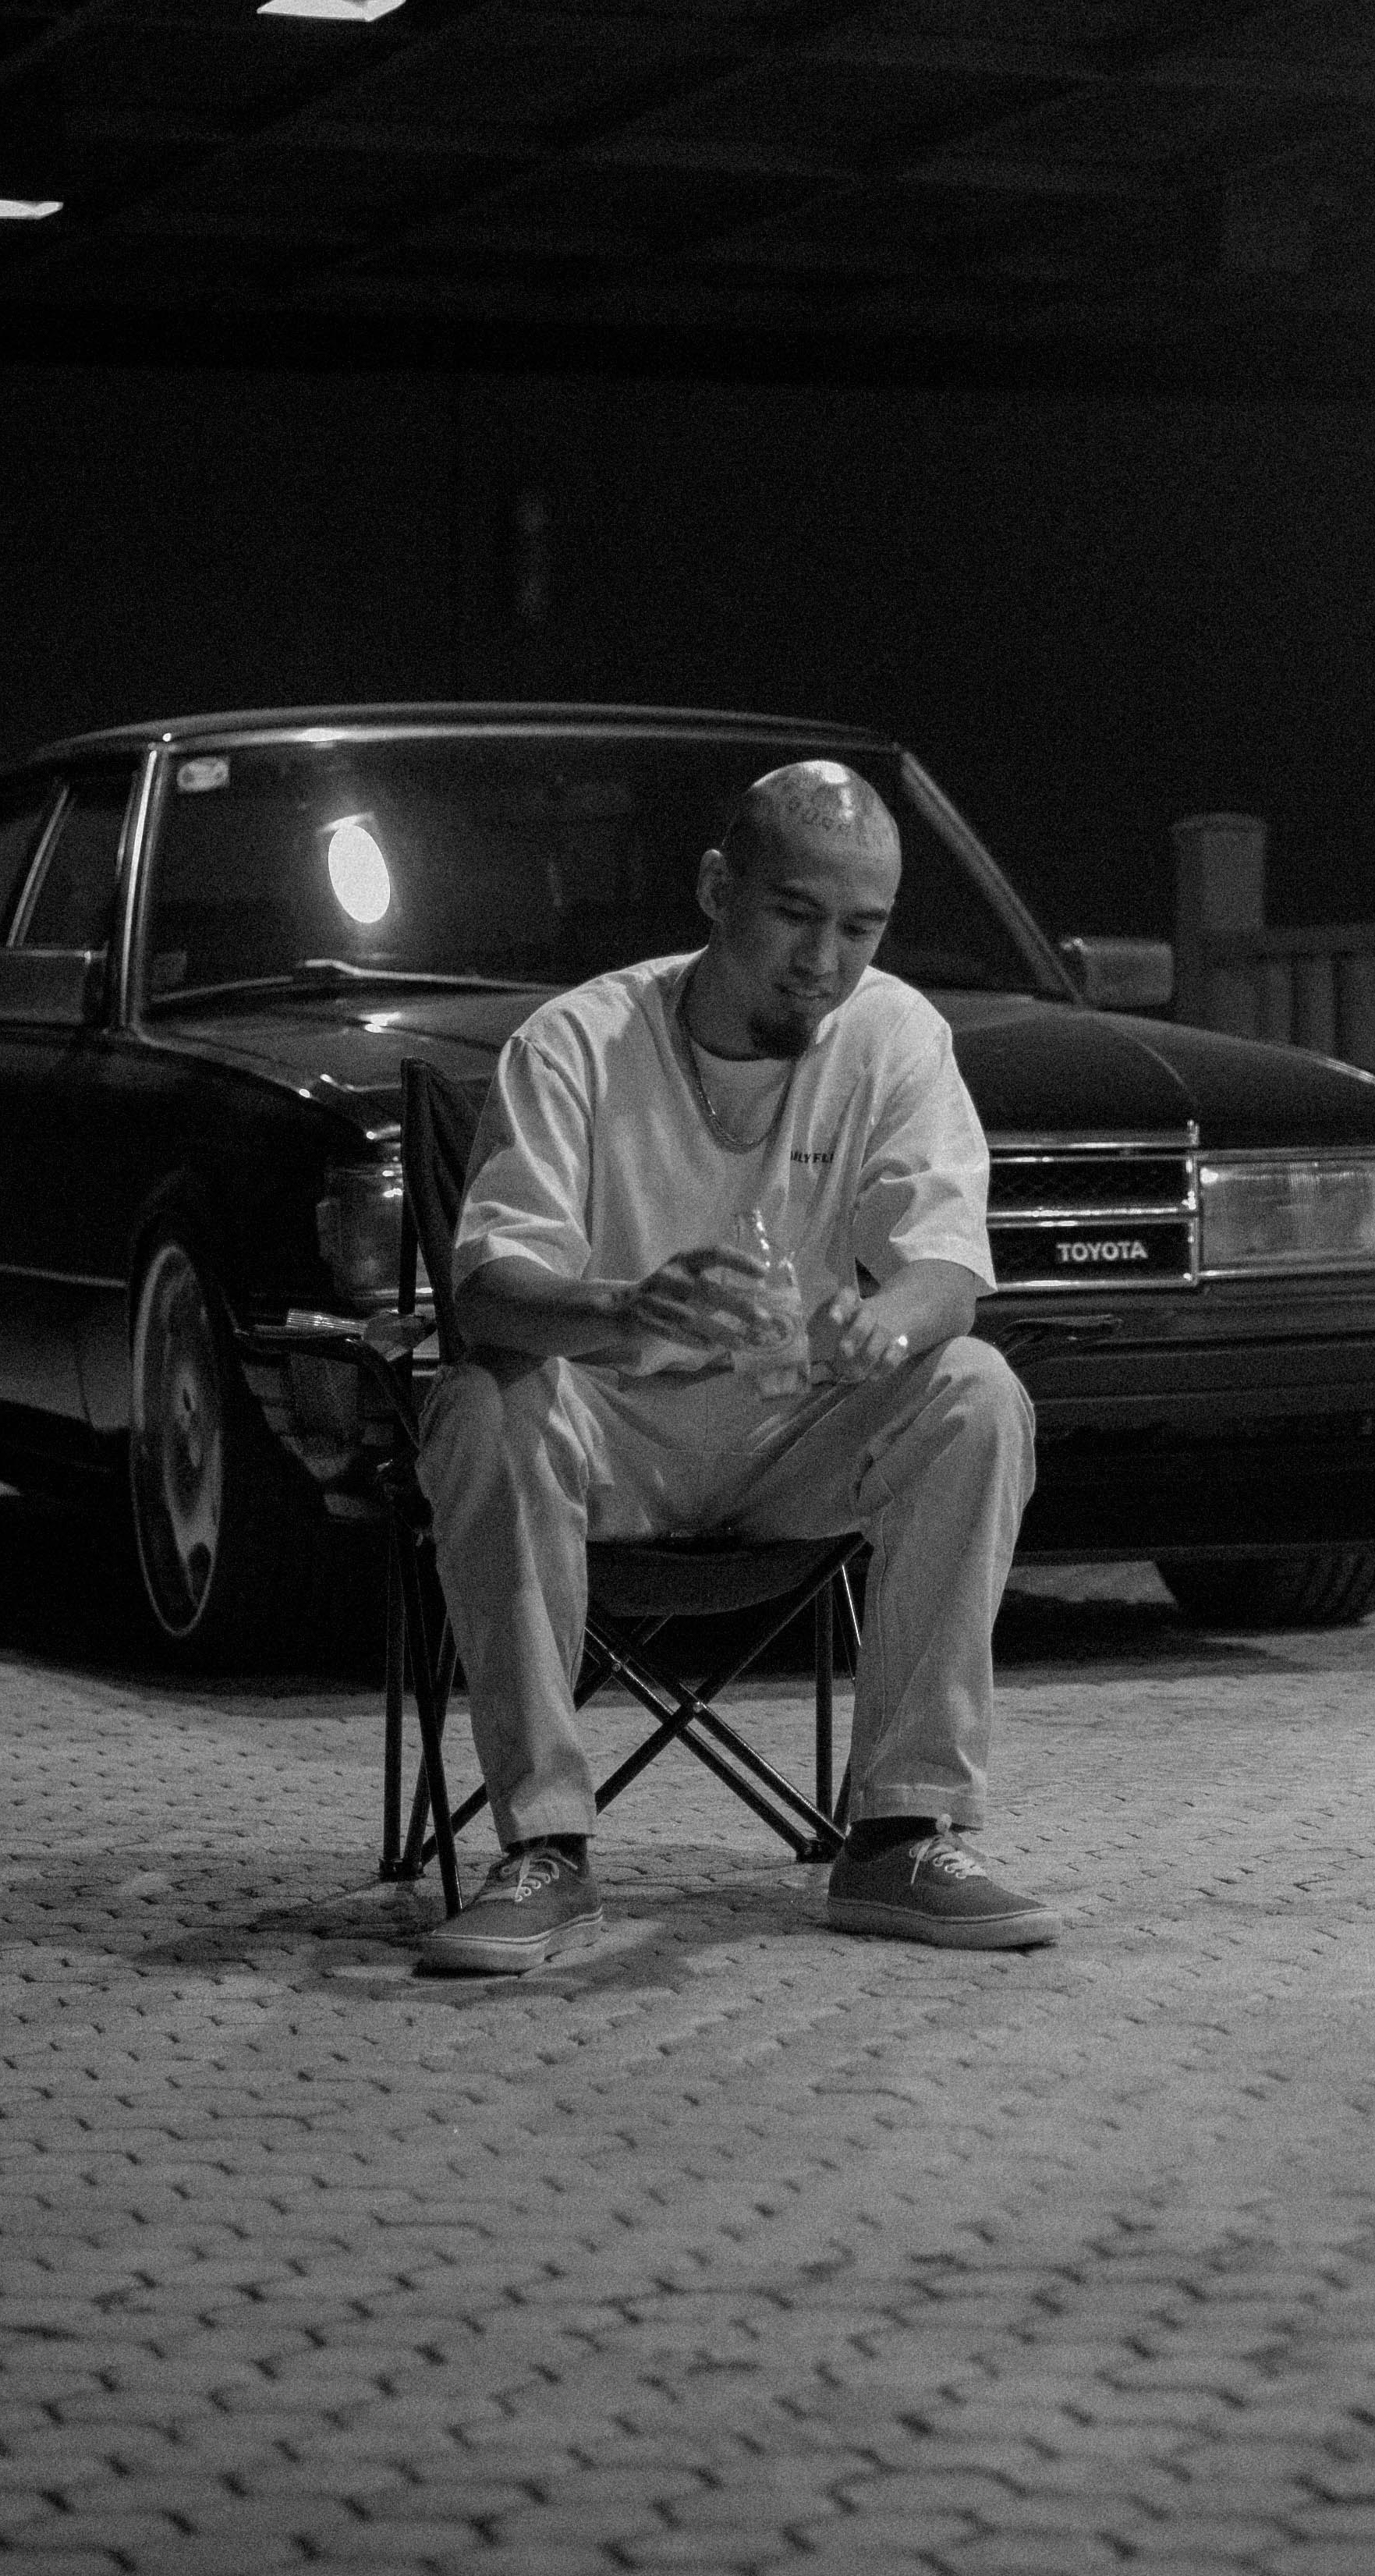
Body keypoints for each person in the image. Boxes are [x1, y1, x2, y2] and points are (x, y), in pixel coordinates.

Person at [411, 759, 1053, 1973]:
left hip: (790, 1434)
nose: (825, 959)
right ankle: (545, 1847)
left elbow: (947, 1267)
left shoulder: (895, 1032)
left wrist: (894, 1322)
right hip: (614, 1435)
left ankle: (903, 1834)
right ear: (718, 889)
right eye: (794, 914)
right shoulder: (579, 1044)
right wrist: (623, 1303)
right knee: (483, 1404)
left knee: (976, 1390)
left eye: (860, 928)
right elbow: (489, 1291)